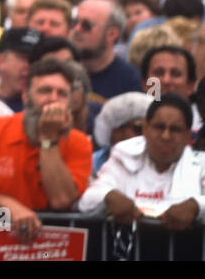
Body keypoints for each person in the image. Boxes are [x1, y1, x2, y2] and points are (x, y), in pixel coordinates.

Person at [0, 57, 94, 241]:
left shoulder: (80, 143)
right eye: (45, 91)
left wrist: (48, 139)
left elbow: (61, 199)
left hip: (53, 247)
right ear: (25, 96)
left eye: (62, 94)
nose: (53, 99)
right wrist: (9, 206)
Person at [79, 94, 204, 229]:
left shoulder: (201, 163)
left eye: (175, 129)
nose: (166, 136)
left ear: (187, 135)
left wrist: (196, 206)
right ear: (145, 128)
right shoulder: (124, 153)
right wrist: (108, 197)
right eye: (159, 127)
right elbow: (87, 200)